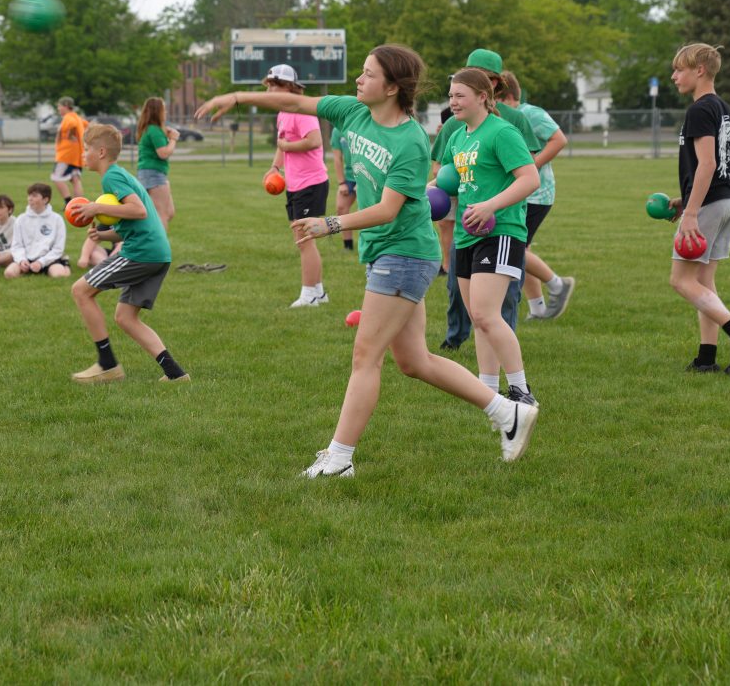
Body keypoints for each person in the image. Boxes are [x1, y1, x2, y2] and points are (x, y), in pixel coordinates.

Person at [196, 44, 539, 477]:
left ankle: (339, 458)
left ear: (392, 87)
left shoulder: (411, 141)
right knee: (414, 362)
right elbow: (294, 102)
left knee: (365, 357)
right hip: (386, 252)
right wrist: (236, 97)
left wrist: (331, 223)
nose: (358, 80)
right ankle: (507, 412)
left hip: (405, 254)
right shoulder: (352, 112)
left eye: (369, 74)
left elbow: (388, 210)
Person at [440, 67, 541, 406]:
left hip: (501, 231)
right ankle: (488, 391)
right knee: (478, 318)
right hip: (467, 235)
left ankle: (522, 391)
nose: (453, 102)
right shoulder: (457, 137)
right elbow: (453, 181)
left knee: (486, 315)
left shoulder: (502, 132)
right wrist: (428, 191)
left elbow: (530, 179)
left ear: (483, 97)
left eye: (460, 96)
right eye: (451, 96)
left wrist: (490, 206)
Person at [668, 43, 730, 375]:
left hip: (710, 204)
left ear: (699, 70)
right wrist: (685, 200)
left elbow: (708, 163)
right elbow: (718, 163)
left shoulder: (699, 110)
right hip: (728, 199)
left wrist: (691, 213)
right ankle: (706, 358)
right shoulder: (722, 107)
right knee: (703, 281)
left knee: (681, 280)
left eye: (679, 69)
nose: (674, 76)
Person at [69, 123, 187, 384]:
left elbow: (139, 211)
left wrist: (96, 207)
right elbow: (133, 225)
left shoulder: (111, 177)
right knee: (125, 317)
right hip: (157, 253)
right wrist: (103, 236)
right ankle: (175, 374)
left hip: (141, 253)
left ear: (101, 152)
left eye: (86, 149)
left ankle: (107, 364)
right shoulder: (120, 176)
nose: (83, 154)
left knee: (80, 291)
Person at [498, 71, 575, 320]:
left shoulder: (529, 113)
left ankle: (557, 284)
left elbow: (558, 139)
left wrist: (530, 166)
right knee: (522, 247)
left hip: (536, 194)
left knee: (515, 247)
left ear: (507, 97)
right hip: (519, 192)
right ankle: (538, 307)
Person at [263, 64, 330, 308]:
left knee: (304, 240)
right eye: (268, 85)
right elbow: (282, 144)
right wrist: (275, 167)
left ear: (288, 87)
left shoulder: (301, 111)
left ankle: (309, 295)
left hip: (310, 183)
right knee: (302, 239)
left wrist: (287, 147)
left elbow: (315, 140)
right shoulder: (283, 112)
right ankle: (319, 292)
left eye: (273, 85)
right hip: (296, 183)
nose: (268, 91)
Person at [4, 183, 70, 279]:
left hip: (49, 260)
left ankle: (66, 265)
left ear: (45, 200)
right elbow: (16, 245)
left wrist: (41, 262)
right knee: (9, 274)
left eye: (34, 196)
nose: (30, 199)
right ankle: (26, 268)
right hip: (26, 259)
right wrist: (22, 260)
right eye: (29, 195)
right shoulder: (21, 219)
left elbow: (58, 248)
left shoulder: (57, 219)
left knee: (59, 275)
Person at [135, 96, 179, 230]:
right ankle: (159, 243)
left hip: (150, 173)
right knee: (162, 214)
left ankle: (147, 236)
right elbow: (163, 153)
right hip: (153, 174)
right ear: (157, 112)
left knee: (169, 212)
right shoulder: (154, 130)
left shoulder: (150, 129)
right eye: (163, 109)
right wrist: (173, 139)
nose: (165, 112)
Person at [51, 97, 88, 205]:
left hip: (67, 155)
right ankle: (79, 204)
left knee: (56, 177)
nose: (58, 108)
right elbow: (87, 124)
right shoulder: (77, 117)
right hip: (77, 155)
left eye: (59, 106)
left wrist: (70, 134)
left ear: (66, 106)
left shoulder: (68, 117)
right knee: (75, 179)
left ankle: (68, 202)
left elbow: (72, 124)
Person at [329, 125, 357, 251]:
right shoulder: (337, 130)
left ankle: (374, 245)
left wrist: (362, 182)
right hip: (349, 176)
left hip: (366, 175)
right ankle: (348, 246)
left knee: (368, 209)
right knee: (341, 208)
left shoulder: (364, 125)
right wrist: (341, 183)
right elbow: (337, 158)